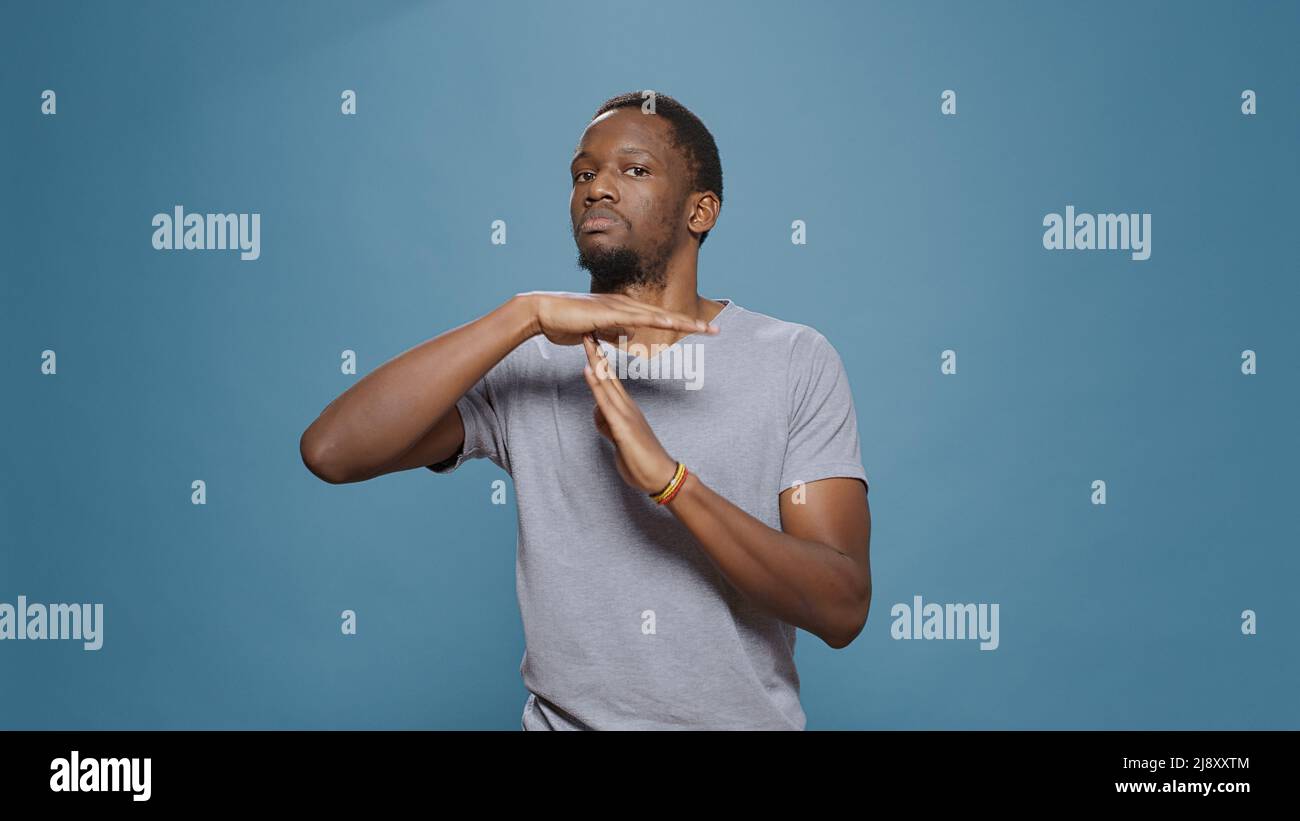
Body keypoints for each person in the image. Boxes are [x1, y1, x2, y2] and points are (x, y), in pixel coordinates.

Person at [300, 91, 872, 730]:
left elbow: (841, 605)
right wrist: (523, 316)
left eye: (634, 170)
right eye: (583, 173)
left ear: (700, 210)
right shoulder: (532, 361)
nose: (598, 188)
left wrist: (671, 482)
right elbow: (332, 451)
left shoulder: (793, 359)